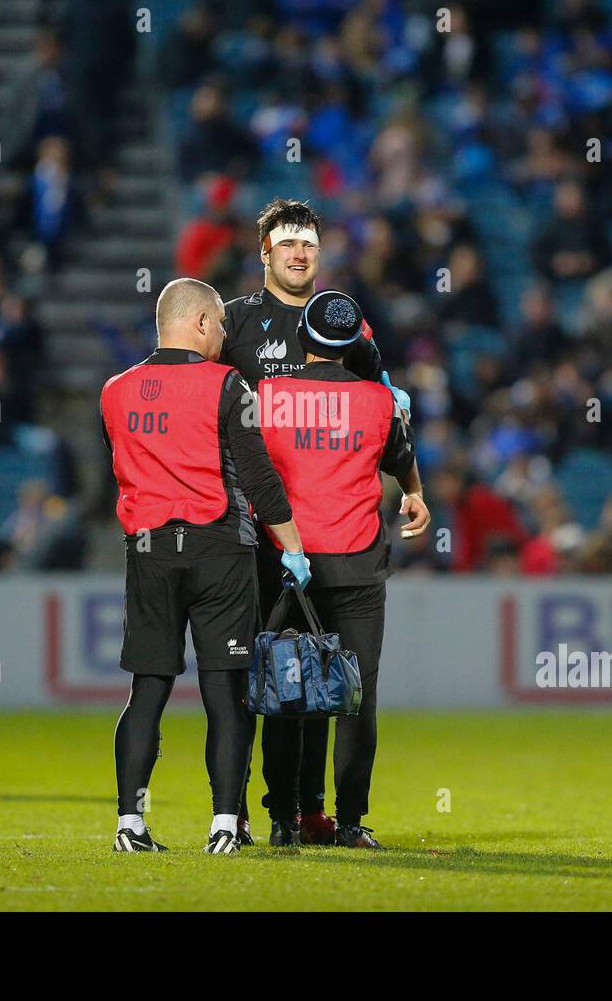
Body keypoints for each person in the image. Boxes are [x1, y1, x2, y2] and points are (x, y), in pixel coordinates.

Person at [221, 196, 426, 846]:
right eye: (287, 242)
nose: (299, 251)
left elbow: (378, 393)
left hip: (299, 542)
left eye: (308, 242)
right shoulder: (234, 322)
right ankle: (254, 809)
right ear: (265, 251)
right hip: (261, 535)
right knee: (287, 684)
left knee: (295, 682)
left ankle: (298, 811)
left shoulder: (341, 328)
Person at [100, 278, 310, 854]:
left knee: (147, 689)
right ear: (197, 323)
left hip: (146, 552)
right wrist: (292, 547)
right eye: (218, 324)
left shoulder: (115, 391)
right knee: (225, 691)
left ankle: (129, 823)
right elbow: (260, 475)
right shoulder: (226, 384)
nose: (223, 334)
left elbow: (119, 468)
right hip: (218, 548)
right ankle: (224, 825)